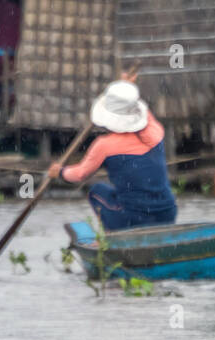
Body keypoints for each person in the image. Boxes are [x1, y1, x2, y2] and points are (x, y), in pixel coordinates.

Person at [48, 72, 177, 231]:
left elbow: (81, 174)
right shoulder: (155, 131)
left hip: (134, 218)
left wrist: (60, 172)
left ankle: (114, 237)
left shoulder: (104, 146)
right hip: (167, 213)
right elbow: (141, 110)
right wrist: (127, 87)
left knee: (96, 191)